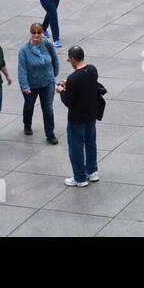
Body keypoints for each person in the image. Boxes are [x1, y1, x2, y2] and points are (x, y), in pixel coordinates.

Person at [56, 45, 100, 187]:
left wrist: (61, 91)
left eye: (69, 60)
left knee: (76, 147)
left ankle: (80, 177)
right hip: (91, 114)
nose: (70, 62)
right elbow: (86, 83)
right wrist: (69, 84)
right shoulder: (92, 70)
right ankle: (92, 171)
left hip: (77, 118)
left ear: (74, 59)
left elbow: (68, 101)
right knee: (90, 142)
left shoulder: (74, 78)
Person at [18, 22, 59, 144]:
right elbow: (22, 69)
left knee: (48, 108)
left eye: (39, 33)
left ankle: (50, 133)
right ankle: (27, 124)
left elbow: (55, 60)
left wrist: (53, 74)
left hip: (47, 82)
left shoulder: (47, 44)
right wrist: (24, 86)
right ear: (30, 33)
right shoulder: (24, 50)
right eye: (34, 33)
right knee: (29, 106)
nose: (36, 35)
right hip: (32, 84)